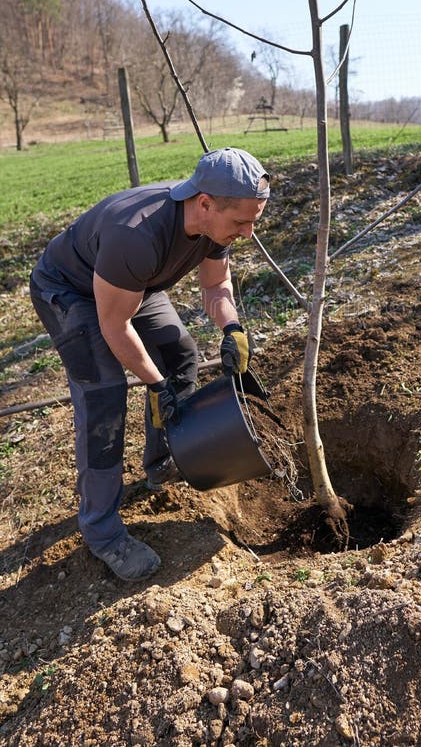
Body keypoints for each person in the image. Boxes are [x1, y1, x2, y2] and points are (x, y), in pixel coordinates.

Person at [29, 147, 270, 582]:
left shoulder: (216, 224)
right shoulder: (137, 235)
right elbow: (114, 324)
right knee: (104, 394)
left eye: (254, 220)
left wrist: (232, 327)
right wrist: (156, 385)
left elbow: (216, 286)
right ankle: (103, 533)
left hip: (136, 284)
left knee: (180, 353)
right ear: (204, 203)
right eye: (241, 222)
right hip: (71, 291)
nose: (248, 232)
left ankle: (163, 460)